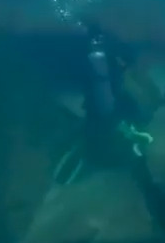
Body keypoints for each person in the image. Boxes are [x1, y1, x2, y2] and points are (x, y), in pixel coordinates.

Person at [52, 21, 154, 185]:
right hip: (115, 110)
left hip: (97, 113)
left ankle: (62, 181)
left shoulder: (88, 58)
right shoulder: (111, 52)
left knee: (86, 146)